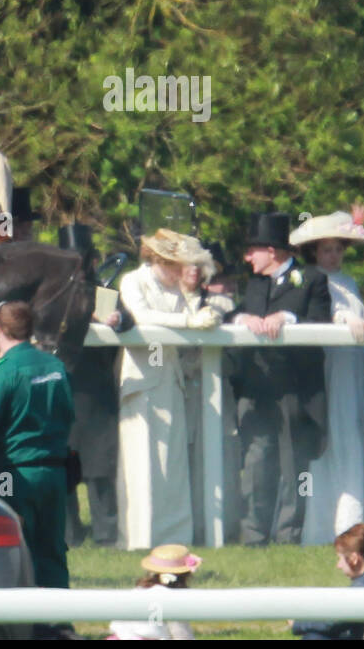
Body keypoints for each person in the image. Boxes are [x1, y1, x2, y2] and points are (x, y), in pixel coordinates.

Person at [228, 211, 330, 546]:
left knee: (295, 464)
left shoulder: (312, 280)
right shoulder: (255, 284)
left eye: (252, 250)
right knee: (256, 462)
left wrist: (286, 317)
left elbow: (320, 321)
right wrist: (243, 317)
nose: (247, 257)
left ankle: (289, 534)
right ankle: (253, 533)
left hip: (296, 388)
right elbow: (234, 312)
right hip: (257, 387)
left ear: (272, 252)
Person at [116, 229, 214, 550]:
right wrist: (190, 322)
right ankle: (140, 538)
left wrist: (198, 312)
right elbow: (142, 317)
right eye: (177, 265)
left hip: (172, 379)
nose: (182, 272)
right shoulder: (133, 281)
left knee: (172, 463)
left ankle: (175, 537)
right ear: (160, 260)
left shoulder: (176, 290)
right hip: (142, 380)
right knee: (142, 461)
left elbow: (190, 318)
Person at [291, 210, 364, 545]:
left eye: (338, 249)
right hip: (329, 366)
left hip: (354, 367)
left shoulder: (349, 281)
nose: (334, 256)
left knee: (358, 435)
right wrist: (340, 316)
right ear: (315, 251)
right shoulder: (309, 279)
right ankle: (334, 523)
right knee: (336, 437)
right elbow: (315, 313)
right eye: (327, 249)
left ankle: (363, 521)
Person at [0, 300, 76, 599]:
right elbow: (69, 415)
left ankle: (19, 620)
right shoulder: (56, 367)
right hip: (54, 473)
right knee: (52, 548)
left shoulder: (0, 372)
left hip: (11, 475)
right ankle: (58, 622)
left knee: (12, 545)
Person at [174, 238, 242, 544]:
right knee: (180, 457)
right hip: (178, 389)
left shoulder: (221, 304)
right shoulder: (168, 302)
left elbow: (236, 356)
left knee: (218, 454)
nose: (194, 271)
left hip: (215, 388)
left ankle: (219, 526)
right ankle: (181, 526)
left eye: (199, 264)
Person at [60, 224, 122, 547]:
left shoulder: (104, 293)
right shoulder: (52, 292)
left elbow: (127, 321)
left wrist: (116, 319)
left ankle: (106, 534)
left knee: (100, 469)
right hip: (63, 391)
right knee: (65, 468)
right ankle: (71, 534)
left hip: (96, 394)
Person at [107, 544, 201, 641]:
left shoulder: (138, 591)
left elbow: (119, 623)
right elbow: (181, 633)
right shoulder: (172, 598)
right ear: (185, 576)